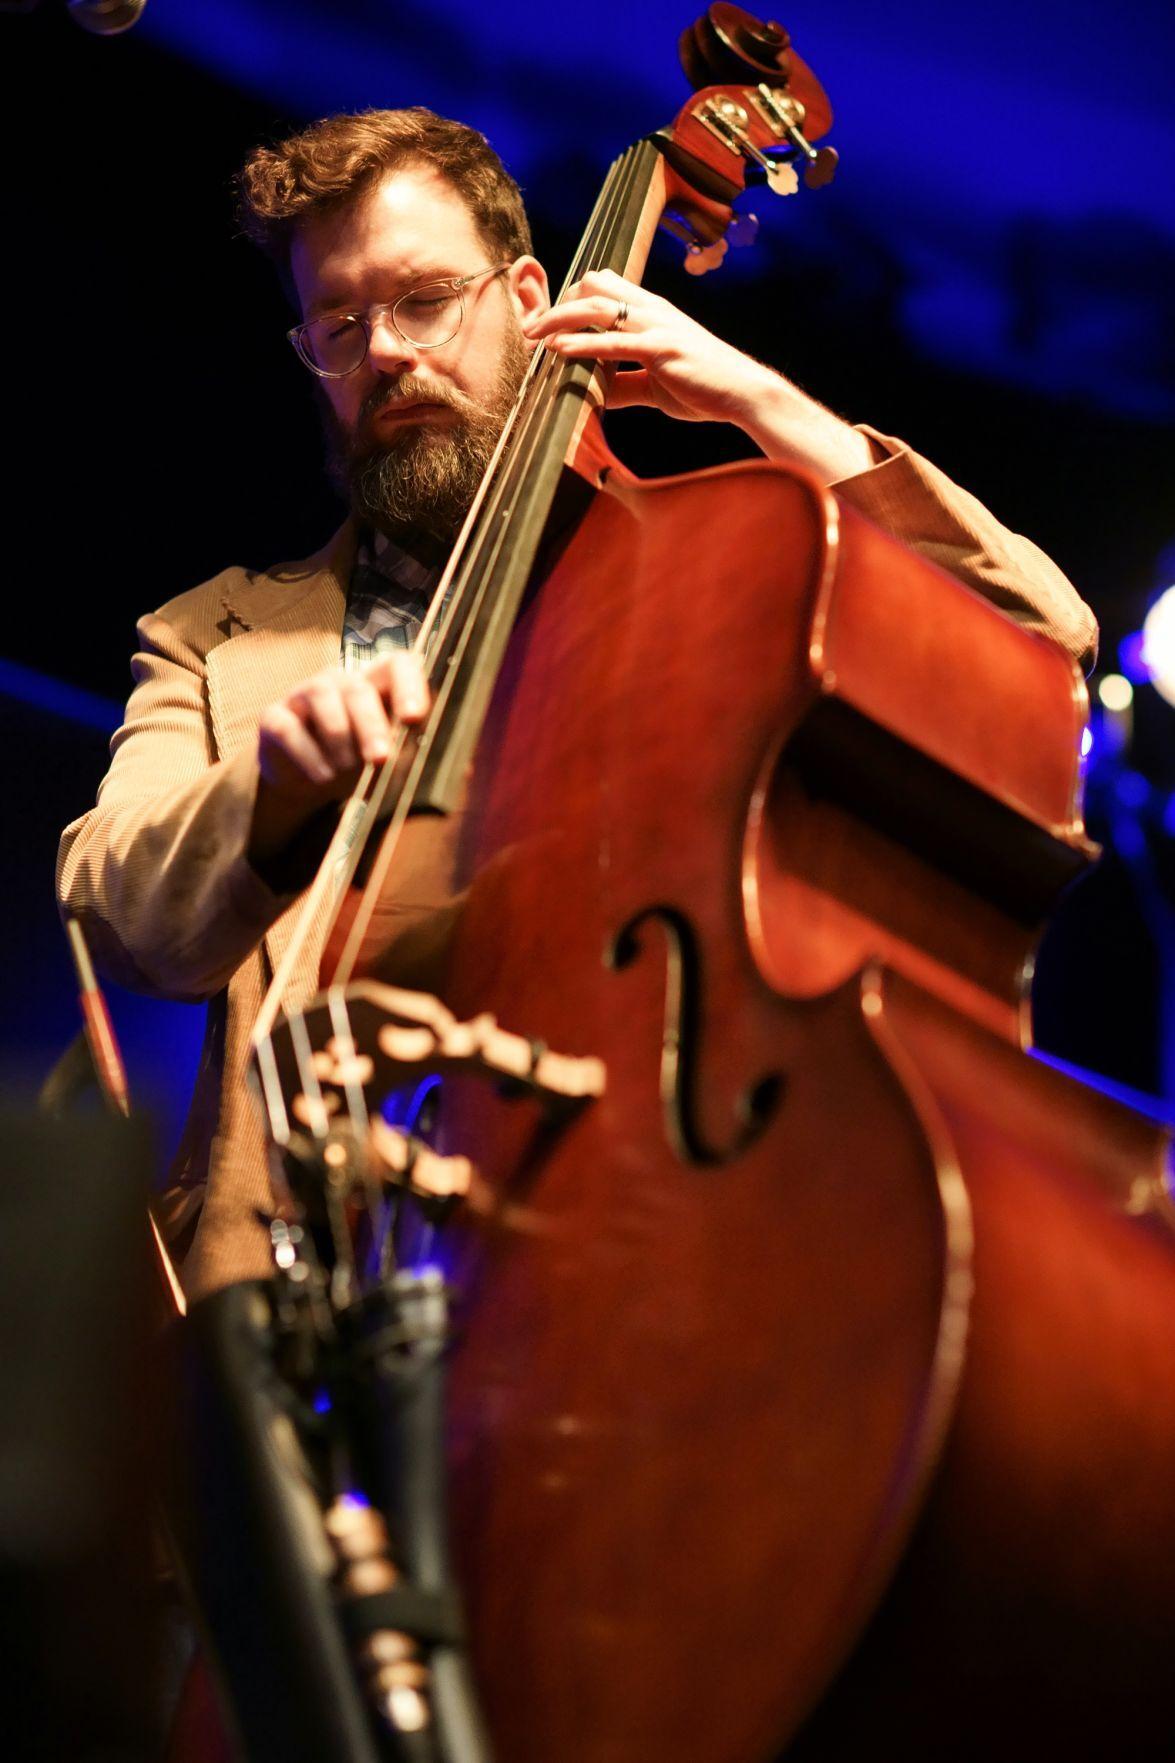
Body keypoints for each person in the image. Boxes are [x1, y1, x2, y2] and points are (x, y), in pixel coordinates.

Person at [57, 109, 1098, 1302]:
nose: (386, 351)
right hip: (288, 1294)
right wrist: (272, 786)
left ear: (525, 293)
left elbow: (1035, 640)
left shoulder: (715, 565)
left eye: (423, 299)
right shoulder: (211, 635)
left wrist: (775, 417)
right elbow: (112, 909)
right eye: (338, 326)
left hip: (630, 1252)